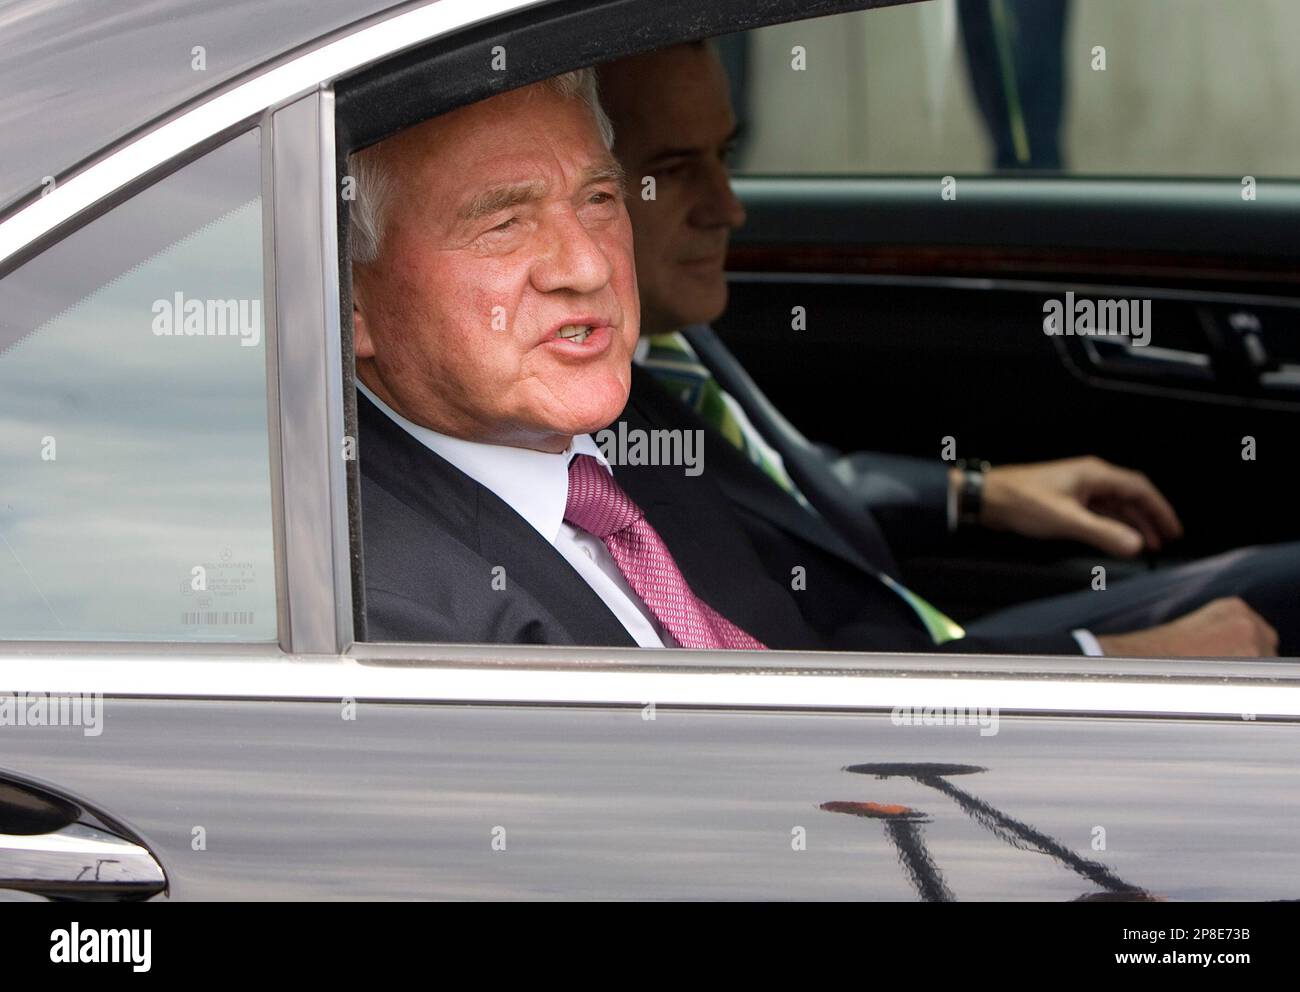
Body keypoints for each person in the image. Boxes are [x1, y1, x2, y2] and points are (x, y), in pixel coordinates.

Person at [596, 42, 1295, 657]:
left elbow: (780, 484)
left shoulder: (667, 330)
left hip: (924, 636)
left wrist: (982, 492)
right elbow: (806, 675)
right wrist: (1115, 658)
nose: (729, 207)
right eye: (676, 169)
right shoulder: (591, 418)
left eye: (724, 156)